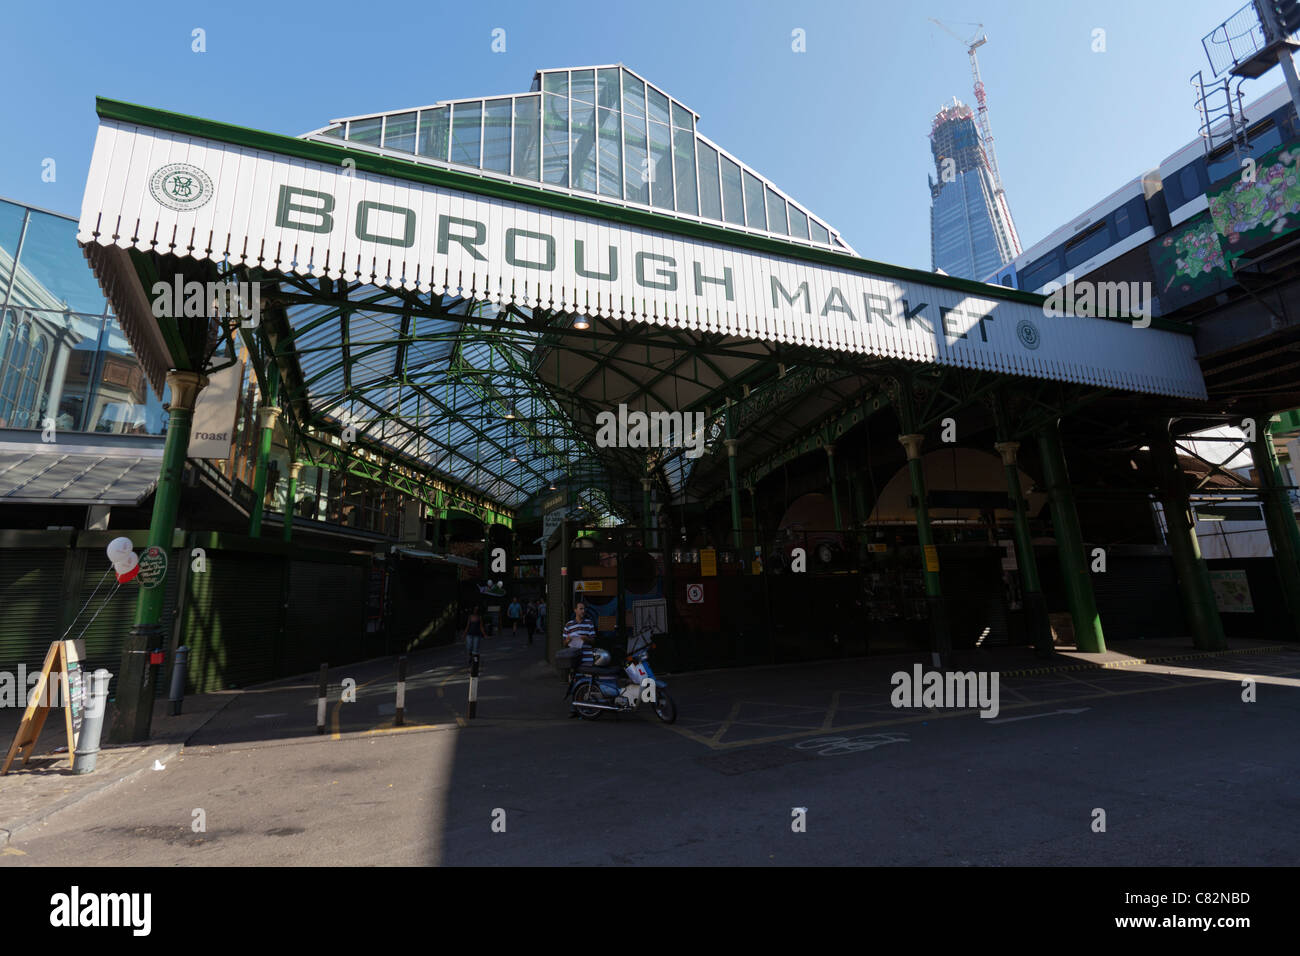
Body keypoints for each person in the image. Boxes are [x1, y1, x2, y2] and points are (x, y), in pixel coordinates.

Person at [563, 601, 597, 717]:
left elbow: (593, 640)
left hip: (587, 658)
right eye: (581, 609)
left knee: (586, 684)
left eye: (584, 609)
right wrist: (567, 641)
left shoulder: (589, 623)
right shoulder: (568, 625)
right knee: (575, 683)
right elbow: (564, 644)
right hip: (574, 659)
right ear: (575, 610)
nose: (583, 611)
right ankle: (574, 709)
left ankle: (585, 709)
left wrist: (585, 638)